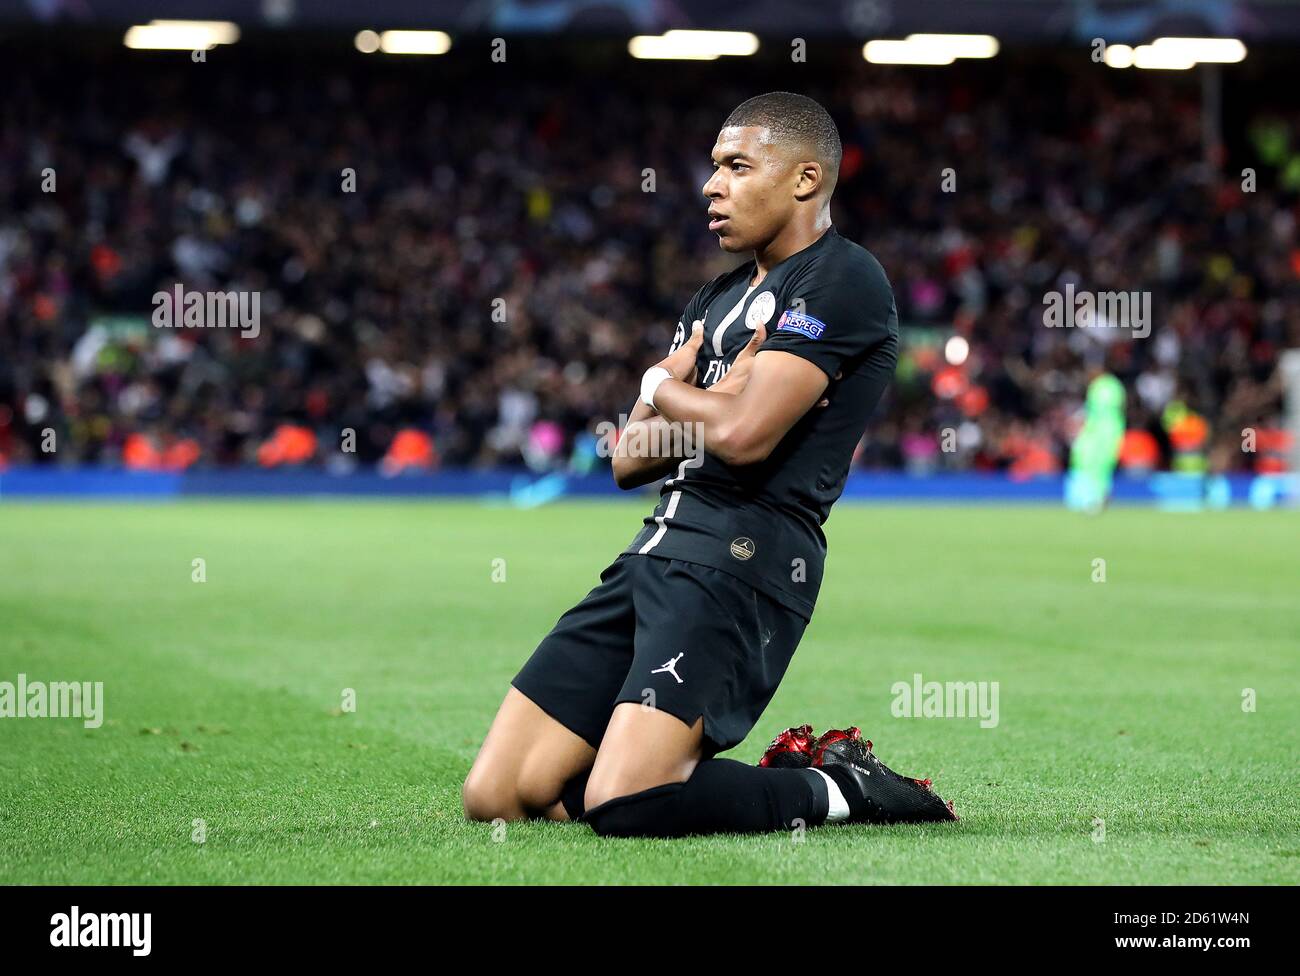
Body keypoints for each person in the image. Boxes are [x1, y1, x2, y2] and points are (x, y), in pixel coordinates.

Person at [463, 92, 957, 836]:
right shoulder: (716, 297)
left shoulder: (843, 280)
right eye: (713, 167)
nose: (709, 186)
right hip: (652, 551)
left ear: (804, 179)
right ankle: (639, 769)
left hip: (741, 560)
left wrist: (665, 388)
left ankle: (839, 787)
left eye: (735, 166)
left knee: (625, 806)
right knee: (498, 795)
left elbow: (748, 435)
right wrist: (692, 403)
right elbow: (630, 456)